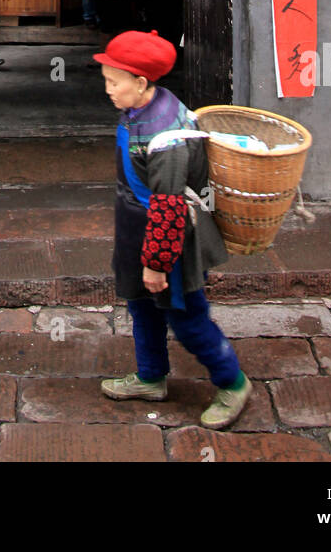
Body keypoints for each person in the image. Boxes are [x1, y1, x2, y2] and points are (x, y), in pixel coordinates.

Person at [96, 29, 252, 429]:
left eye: (114, 82)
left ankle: (232, 382)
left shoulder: (166, 137)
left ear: (141, 83)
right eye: (107, 80)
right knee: (140, 305)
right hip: (135, 228)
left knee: (186, 316)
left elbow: (168, 208)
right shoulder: (142, 109)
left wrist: (157, 264)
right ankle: (150, 377)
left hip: (169, 242)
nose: (109, 90)